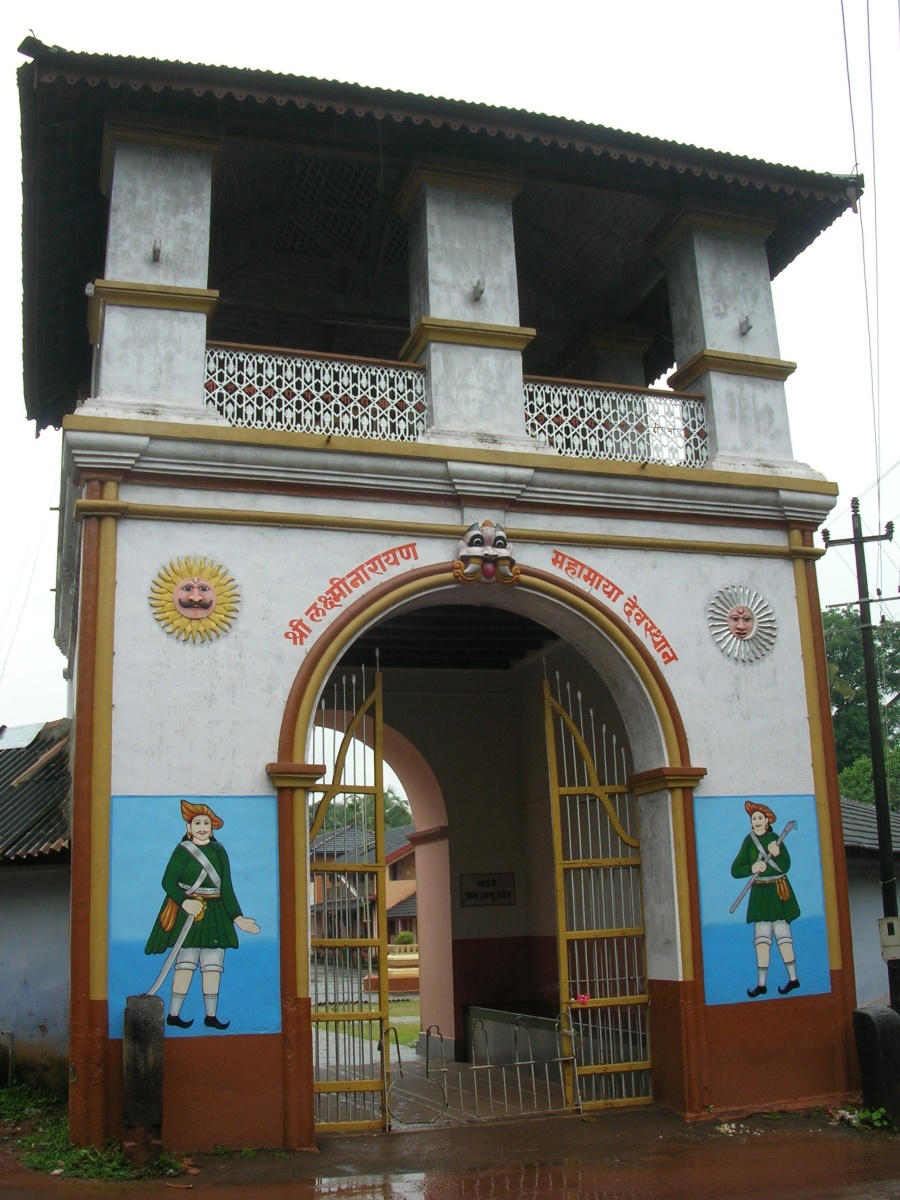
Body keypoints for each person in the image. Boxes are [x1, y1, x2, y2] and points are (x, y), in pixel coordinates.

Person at [145, 800, 259, 1029]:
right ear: (189, 828)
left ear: (212, 828)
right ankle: (174, 1015)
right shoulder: (182, 851)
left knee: (213, 966)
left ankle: (211, 1015)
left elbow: (226, 887)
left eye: (206, 823)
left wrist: (237, 918)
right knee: (185, 964)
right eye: (197, 822)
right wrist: (185, 902)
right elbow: (167, 882)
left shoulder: (219, 851)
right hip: (190, 913)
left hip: (215, 915)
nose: (202, 826)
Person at [730, 801, 800, 998]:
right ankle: (761, 984)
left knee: (783, 936)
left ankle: (793, 979)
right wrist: (752, 868)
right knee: (761, 939)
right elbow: (735, 869)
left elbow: (786, 865)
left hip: (778, 892)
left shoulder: (775, 839)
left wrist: (776, 855)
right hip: (759, 894)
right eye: (754, 818)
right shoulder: (749, 840)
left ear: (767, 821)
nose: (757, 821)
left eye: (760, 818)